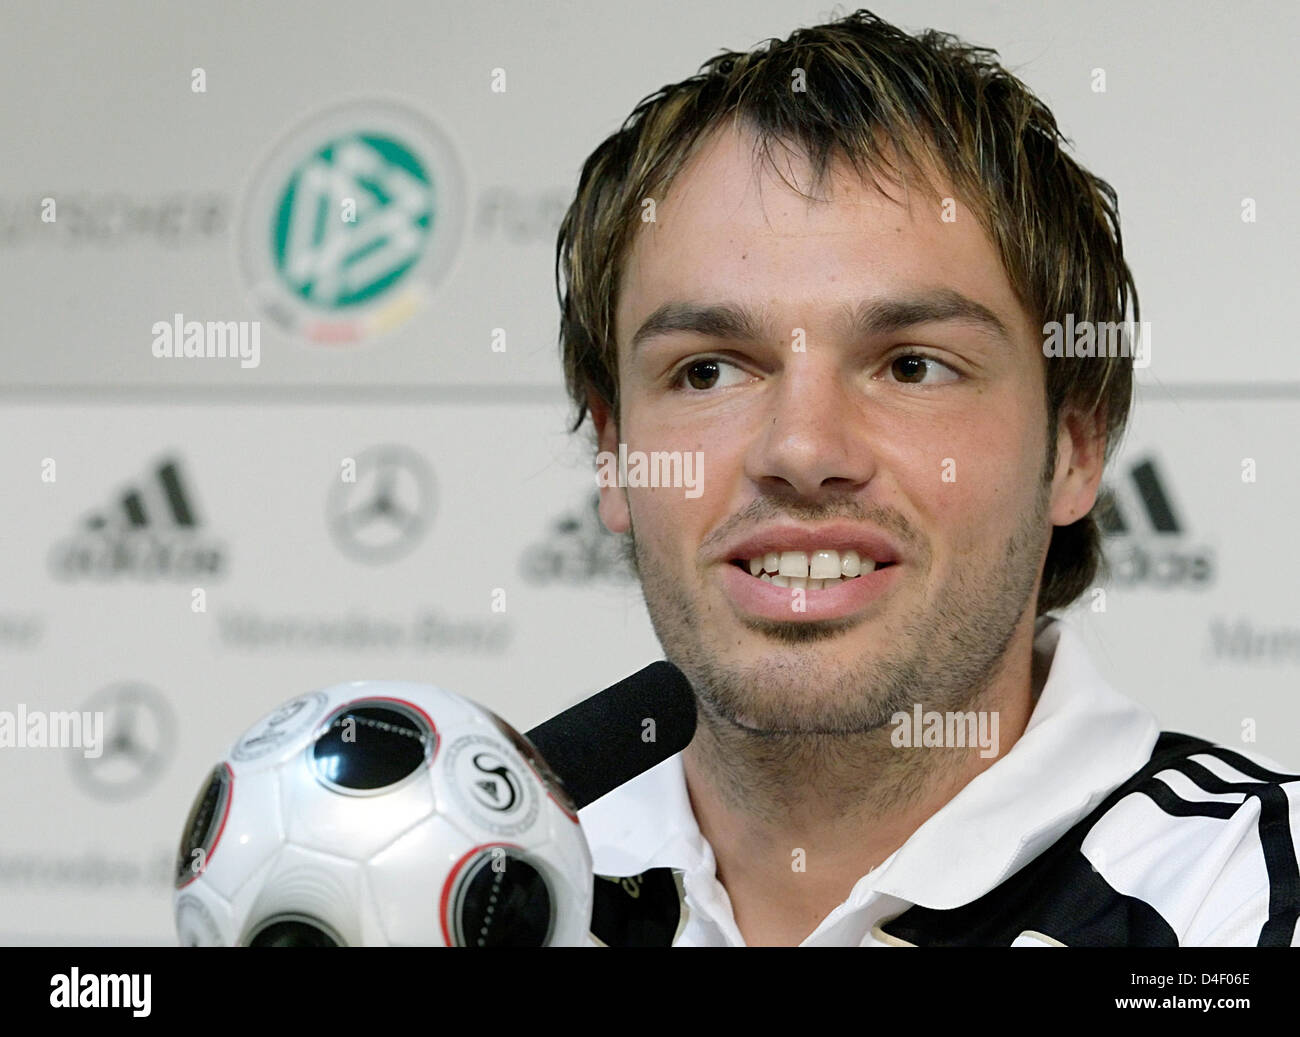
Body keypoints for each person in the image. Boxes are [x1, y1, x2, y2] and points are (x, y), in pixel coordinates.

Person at [556, 8, 1299, 946]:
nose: (803, 450)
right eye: (709, 369)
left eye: (912, 365)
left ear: (1074, 447)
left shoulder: (1246, 894)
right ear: (616, 453)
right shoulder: (465, 890)